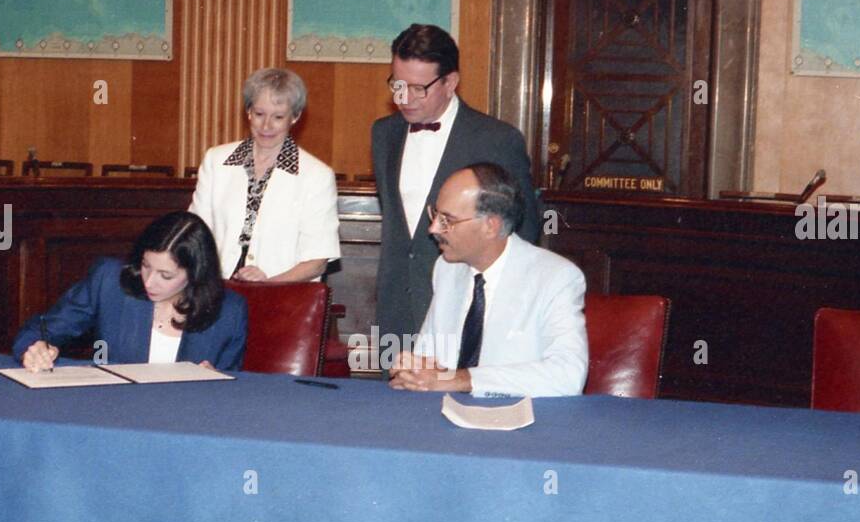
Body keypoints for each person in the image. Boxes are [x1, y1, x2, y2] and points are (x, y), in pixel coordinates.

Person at [372, 23, 541, 354]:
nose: (404, 98)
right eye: (397, 84)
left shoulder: (496, 140)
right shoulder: (383, 134)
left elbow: (524, 233)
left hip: (465, 312)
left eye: (418, 88)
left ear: (450, 82)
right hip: (396, 314)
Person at [389, 164, 586, 398]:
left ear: (490, 226)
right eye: (435, 215)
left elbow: (568, 376)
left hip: (520, 424)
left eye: (447, 220)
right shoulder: (447, 268)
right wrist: (414, 371)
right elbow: (431, 359)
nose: (433, 229)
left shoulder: (555, 277)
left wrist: (462, 380)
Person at [13, 211, 246, 372]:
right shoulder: (109, 281)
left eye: (166, 275)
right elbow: (40, 329)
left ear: (195, 274)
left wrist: (216, 382)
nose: (150, 282)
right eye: (145, 266)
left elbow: (231, 383)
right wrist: (33, 349)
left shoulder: (229, 311)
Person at [189, 67, 340, 282]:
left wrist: (267, 285)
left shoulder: (316, 176)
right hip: (217, 291)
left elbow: (317, 262)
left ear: (295, 117)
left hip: (282, 297)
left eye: (278, 117)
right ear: (248, 111)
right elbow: (195, 234)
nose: (266, 126)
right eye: (259, 114)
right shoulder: (216, 161)